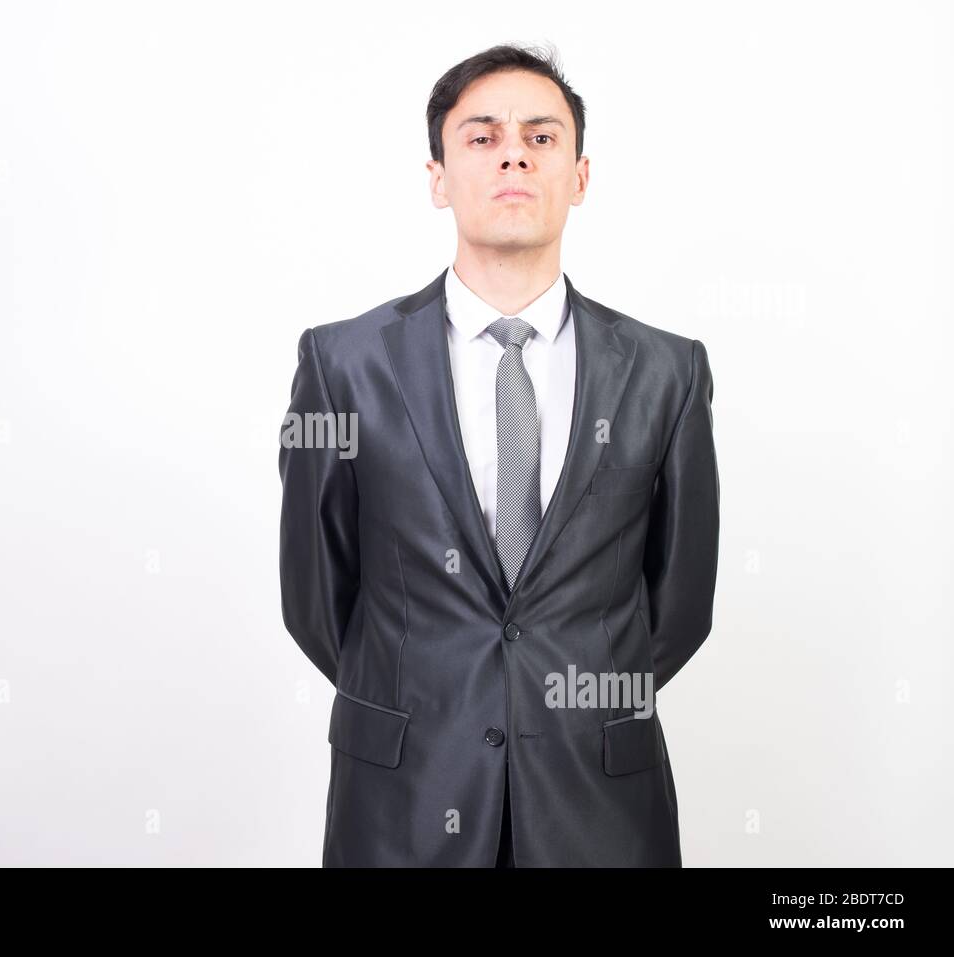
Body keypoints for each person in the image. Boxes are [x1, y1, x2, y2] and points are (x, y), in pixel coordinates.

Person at [278, 43, 720, 867]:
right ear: (438, 176)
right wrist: (427, 687)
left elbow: (680, 603)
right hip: (404, 797)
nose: (514, 151)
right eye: (481, 136)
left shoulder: (667, 370)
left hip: (599, 802)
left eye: (541, 137)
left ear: (580, 177)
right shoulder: (342, 364)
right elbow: (315, 593)